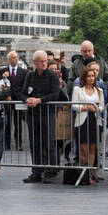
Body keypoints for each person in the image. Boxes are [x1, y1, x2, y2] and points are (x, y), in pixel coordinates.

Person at [21, 51, 61, 183]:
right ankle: (36, 172)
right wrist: (27, 99)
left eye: (45, 61)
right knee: (35, 144)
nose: (44, 63)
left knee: (49, 143)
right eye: (41, 61)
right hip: (32, 114)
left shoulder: (52, 76)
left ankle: (51, 171)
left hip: (47, 113)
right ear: (35, 63)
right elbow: (22, 93)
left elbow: (55, 94)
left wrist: (39, 100)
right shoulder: (30, 75)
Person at [71, 62, 105, 185]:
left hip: (94, 120)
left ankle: (90, 172)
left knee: (92, 148)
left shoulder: (99, 90)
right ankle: (83, 172)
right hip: (82, 121)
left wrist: (95, 108)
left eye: (93, 76)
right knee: (83, 148)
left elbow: (102, 107)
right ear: (84, 78)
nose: (91, 78)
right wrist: (85, 107)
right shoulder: (77, 90)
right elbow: (73, 105)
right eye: (88, 76)